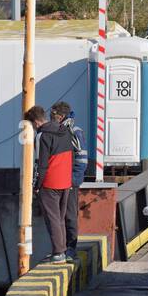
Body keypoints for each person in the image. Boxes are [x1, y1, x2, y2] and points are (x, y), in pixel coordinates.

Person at [27, 103, 72, 264]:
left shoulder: (42, 135)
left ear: (35, 122)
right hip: (66, 181)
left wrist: (37, 185)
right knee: (60, 217)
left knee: (52, 218)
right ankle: (63, 251)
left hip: (50, 182)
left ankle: (58, 252)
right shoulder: (65, 131)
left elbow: (41, 163)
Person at [51, 101, 89, 260]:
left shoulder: (74, 132)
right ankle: (60, 249)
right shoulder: (55, 131)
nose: (51, 118)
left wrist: (74, 181)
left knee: (70, 215)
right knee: (57, 216)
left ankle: (71, 248)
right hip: (57, 180)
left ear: (60, 116)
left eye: (52, 115)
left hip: (70, 182)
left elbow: (82, 159)